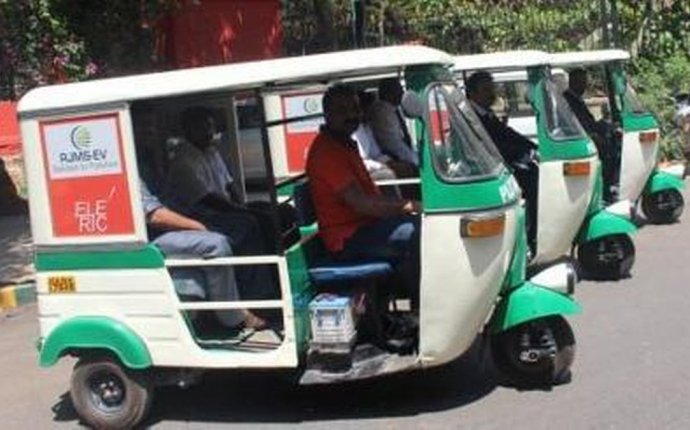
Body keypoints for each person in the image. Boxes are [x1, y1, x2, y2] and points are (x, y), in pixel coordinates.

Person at [306, 84, 421, 307]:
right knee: (418, 232)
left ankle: (402, 307)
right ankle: (424, 312)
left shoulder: (345, 144)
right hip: (348, 238)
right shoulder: (326, 152)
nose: (351, 115)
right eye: (342, 110)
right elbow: (362, 204)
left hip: (366, 227)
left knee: (421, 227)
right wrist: (408, 205)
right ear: (327, 114)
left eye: (355, 109)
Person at [165, 106, 278, 301]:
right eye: (204, 127)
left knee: (271, 212)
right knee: (248, 224)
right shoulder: (183, 160)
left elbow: (229, 183)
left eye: (211, 127)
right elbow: (207, 199)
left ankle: (275, 279)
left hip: (223, 210)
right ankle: (257, 293)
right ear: (189, 129)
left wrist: (243, 205)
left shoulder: (211, 152)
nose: (210, 132)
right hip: (201, 216)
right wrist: (241, 211)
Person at [465, 71, 538, 254]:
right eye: (486, 90)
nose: (492, 94)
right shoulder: (470, 115)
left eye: (492, 89)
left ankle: (531, 234)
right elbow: (493, 144)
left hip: (499, 165)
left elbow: (507, 133)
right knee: (528, 179)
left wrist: (532, 146)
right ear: (472, 93)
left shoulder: (486, 112)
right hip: (482, 171)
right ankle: (527, 239)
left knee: (532, 173)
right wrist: (523, 152)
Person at [563, 68, 620, 201]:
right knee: (608, 152)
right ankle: (605, 190)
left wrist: (607, 126)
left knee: (612, 141)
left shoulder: (576, 98)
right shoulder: (569, 100)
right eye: (581, 82)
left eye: (585, 81)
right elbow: (579, 123)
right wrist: (594, 134)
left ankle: (610, 186)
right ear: (573, 82)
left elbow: (590, 121)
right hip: (580, 140)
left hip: (588, 135)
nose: (584, 85)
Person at [353, 91, 417, 181]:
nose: (370, 112)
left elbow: (376, 153)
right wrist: (382, 166)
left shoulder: (366, 128)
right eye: (367, 109)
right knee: (390, 174)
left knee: (409, 168)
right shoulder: (356, 130)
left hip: (375, 164)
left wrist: (390, 162)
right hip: (362, 169)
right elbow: (362, 160)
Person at [368, 78, 420, 167]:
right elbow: (393, 143)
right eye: (399, 89)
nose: (402, 93)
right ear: (389, 92)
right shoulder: (382, 112)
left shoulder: (393, 109)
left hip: (402, 156)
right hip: (396, 159)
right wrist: (415, 160)